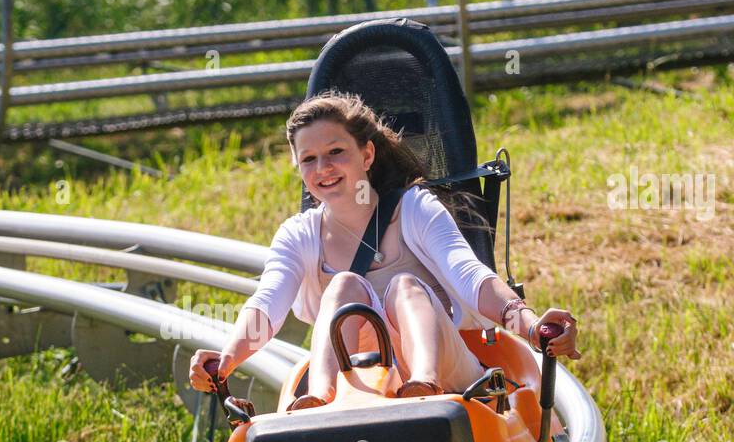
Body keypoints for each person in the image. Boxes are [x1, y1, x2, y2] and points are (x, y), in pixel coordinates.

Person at [188, 92, 580, 410]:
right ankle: (317, 398)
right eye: (309, 159)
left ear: (368, 155)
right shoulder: (298, 234)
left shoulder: (414, 208)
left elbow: (470, 276)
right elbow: (267, 303)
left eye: (336, 152)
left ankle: (422, 387)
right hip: (358, 386)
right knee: (342, 286)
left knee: (405, 287)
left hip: (450, 376)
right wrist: (227, 359)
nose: (323, 167)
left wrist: (529, 325)